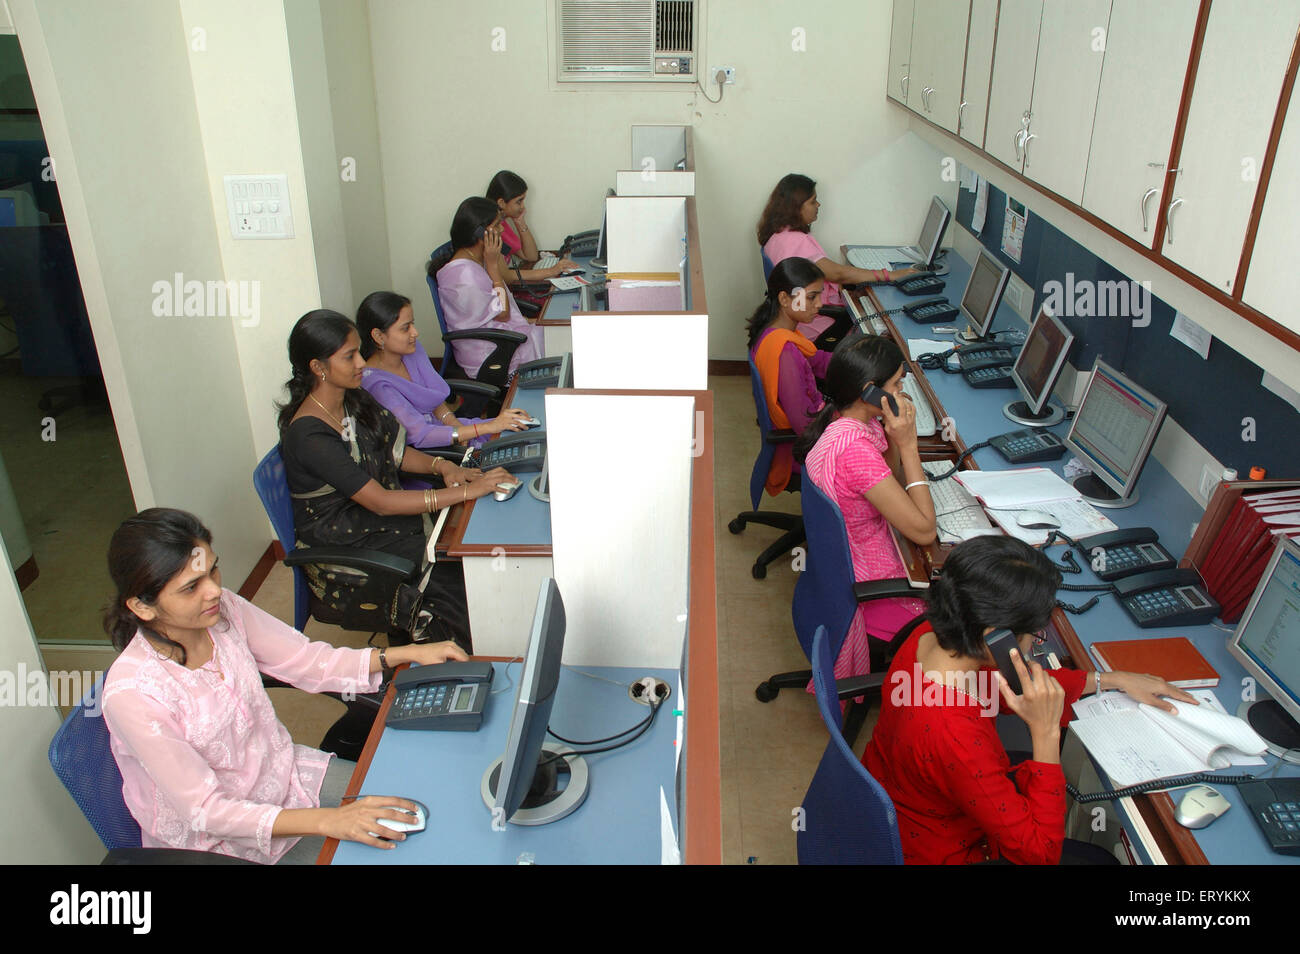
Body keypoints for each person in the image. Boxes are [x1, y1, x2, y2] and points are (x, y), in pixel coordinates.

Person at [100, 508, 470, 864]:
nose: (214, 591)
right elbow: (206, 811)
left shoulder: (222, 610)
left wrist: (403, 654)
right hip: (222, 842)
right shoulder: (135, 694)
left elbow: (307, 659)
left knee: (421, 805)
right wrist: (330, 821)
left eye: (213, 571)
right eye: (191, 587)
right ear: (143, 607)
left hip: (285, 775)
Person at [862, 535, 1198, 864]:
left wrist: (1106, 680)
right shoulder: (954, 735)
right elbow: (1040, 854)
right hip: (940, 847)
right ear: (996, 638)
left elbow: (1006, 686)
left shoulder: (933, 637)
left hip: (900, 799)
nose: (1033, 647)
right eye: (1033, 636)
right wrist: (1046, 733)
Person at [277, 309, 514, 650]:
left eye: (359, 351)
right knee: (459, 578)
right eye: (349, 356)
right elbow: (381, 501)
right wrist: (468, 491)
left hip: (377, 524)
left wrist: (442, 468)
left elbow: (395, 453)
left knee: (473, 538)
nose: (361, 362)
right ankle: (463, 661)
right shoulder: (309, 434)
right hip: (348, 547)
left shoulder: (352, 400)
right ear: (318, 367)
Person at [794, 336, 936, 678]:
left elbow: (885, 474)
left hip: (840, 573)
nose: (903, 391)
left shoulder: (843, 424)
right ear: (872, 392)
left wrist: (893, 438)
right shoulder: (855, 452)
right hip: (868, 595)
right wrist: (909, 445)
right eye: (898, 384)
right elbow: (924, 530)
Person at [357, 290, 532, 452]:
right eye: (405, 328)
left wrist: (460, 428)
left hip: (449, 430)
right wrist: (479, 429)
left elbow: (433, 399)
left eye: (413, 324)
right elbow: (421, 436)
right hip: (432, 451)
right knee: (517, 449)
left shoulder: (411, 351)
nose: (415, 333)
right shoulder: (376, 385)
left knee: (525, 431)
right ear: (378, 336)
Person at [757, 173, 921, 343]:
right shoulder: (796, 241)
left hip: (797, 313)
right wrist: (889, 275)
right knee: (886, 336)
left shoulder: (778, 235)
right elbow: (837, 274)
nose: (818, 205)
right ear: (796, 207)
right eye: (813, 201)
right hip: (814, 321)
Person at [430, 197, 546, 379]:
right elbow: (503, 313)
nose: (502, 229)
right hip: (490, 352)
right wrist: (493, 267)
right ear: (480, 233)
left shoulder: (475, 259)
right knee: (564, 348)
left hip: (501, 336)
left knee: (560, 335)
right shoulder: (463, 275)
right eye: (497, 224)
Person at [746, 257, 832, 496]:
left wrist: (860, 361)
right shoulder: (785, 353)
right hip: (796, 449)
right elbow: (804, 425)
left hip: (800, 431)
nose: (819, 304)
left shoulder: (777, 332)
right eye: (812, 296)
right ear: (784, 299)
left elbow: (817, 360)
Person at [485, 170, 577, 278]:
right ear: (501, 203)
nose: (523, 206)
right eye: (519, 202)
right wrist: (552, 271)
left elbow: (531, 256)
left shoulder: (502, 224)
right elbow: (507, 276)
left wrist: (520, 222)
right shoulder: (491, 229)